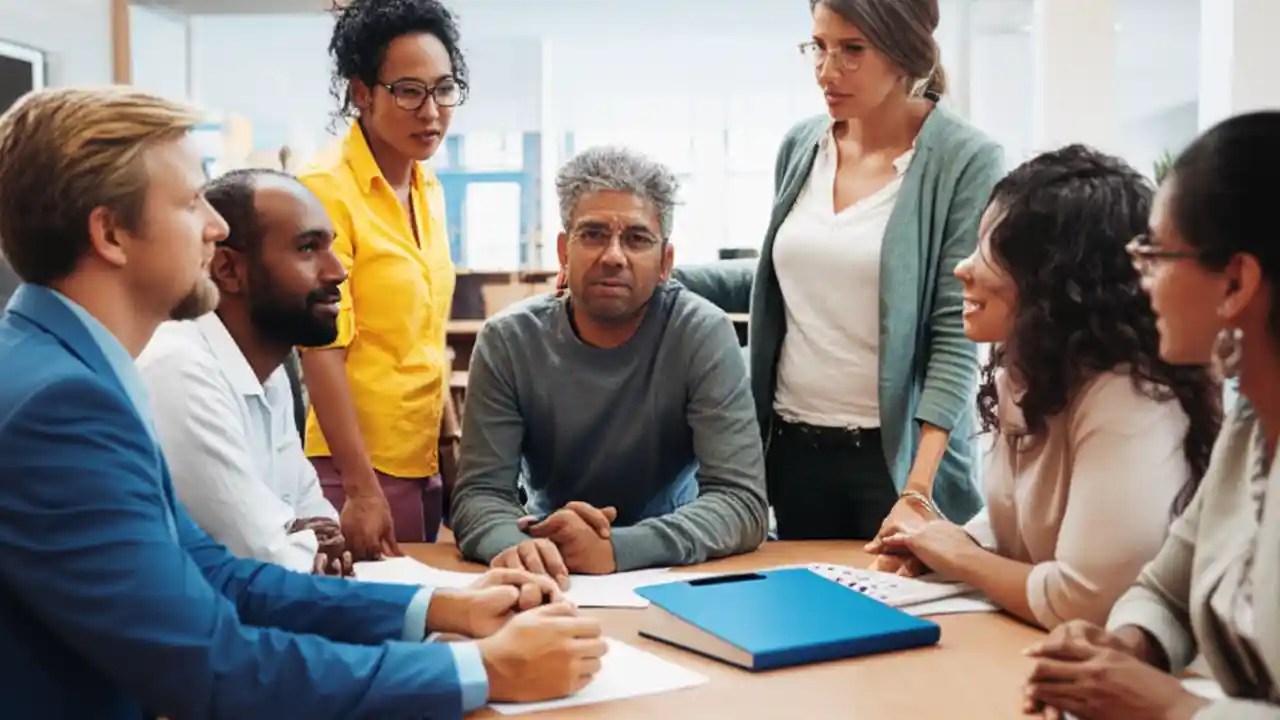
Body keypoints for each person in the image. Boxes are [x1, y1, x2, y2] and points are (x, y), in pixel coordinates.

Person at [0, 86, 606, 718]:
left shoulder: (69, 373)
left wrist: (443, 607)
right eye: (190, 201)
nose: (215, 227)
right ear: (110, 234)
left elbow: (219, 577)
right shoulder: (62, 408)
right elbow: (209, 664)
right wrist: (483, 669)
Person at [673, 0, 1003, 542]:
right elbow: (788, 273)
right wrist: (660, 274)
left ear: (904, 53)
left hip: (897, 464)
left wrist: (918, 491)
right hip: (792, 452)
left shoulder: (964, 158)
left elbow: (955, 331)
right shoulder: (802, 145)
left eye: (852, 50)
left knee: (905, 599)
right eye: (819, 47)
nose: (827, 71)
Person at [865, 146, 1221, 630]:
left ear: (1055, 275)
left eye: (991, 249)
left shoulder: (1128, 394)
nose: (962, 268)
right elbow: (1021, 529)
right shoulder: (1025, 371)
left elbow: (1087, 601)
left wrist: (961, 557)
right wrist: (946, 545)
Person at [1023, 113, 1280, 719]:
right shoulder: (1251, 425)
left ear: (1236, 283)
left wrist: (1171, 707)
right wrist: (1125, 647)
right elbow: (1164, 590)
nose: (1142, 282)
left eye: (1155, 255)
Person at [451, 147, 769, 582]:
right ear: (563, 252)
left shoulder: (701, 333)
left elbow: (741, 502)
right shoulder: (508, 340)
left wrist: (617, 548)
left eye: (637, 239)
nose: (614, 256)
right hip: (550, 564)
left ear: (666, 263)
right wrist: (521, 549)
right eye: (593, 234)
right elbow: (479, 495)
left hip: (675, 567)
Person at [299, 0, 465, 556]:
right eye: (409, 91)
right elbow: (322, 349)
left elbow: (426, 337)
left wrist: (450, 449)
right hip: (358, 470)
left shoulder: (427, 187)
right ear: (362, 92)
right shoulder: (324, 190)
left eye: (444, 89)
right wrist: (361, 489)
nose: (431, 112)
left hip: (423, 462)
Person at [137, 169, 354, 576]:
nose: (337, 270)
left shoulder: (270, 372)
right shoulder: (179, 368)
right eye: (308, 248)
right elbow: (265, 558)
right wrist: (299, 543)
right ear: (228, 269)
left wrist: (301, 540)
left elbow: (321, 523)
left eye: (331, 247)